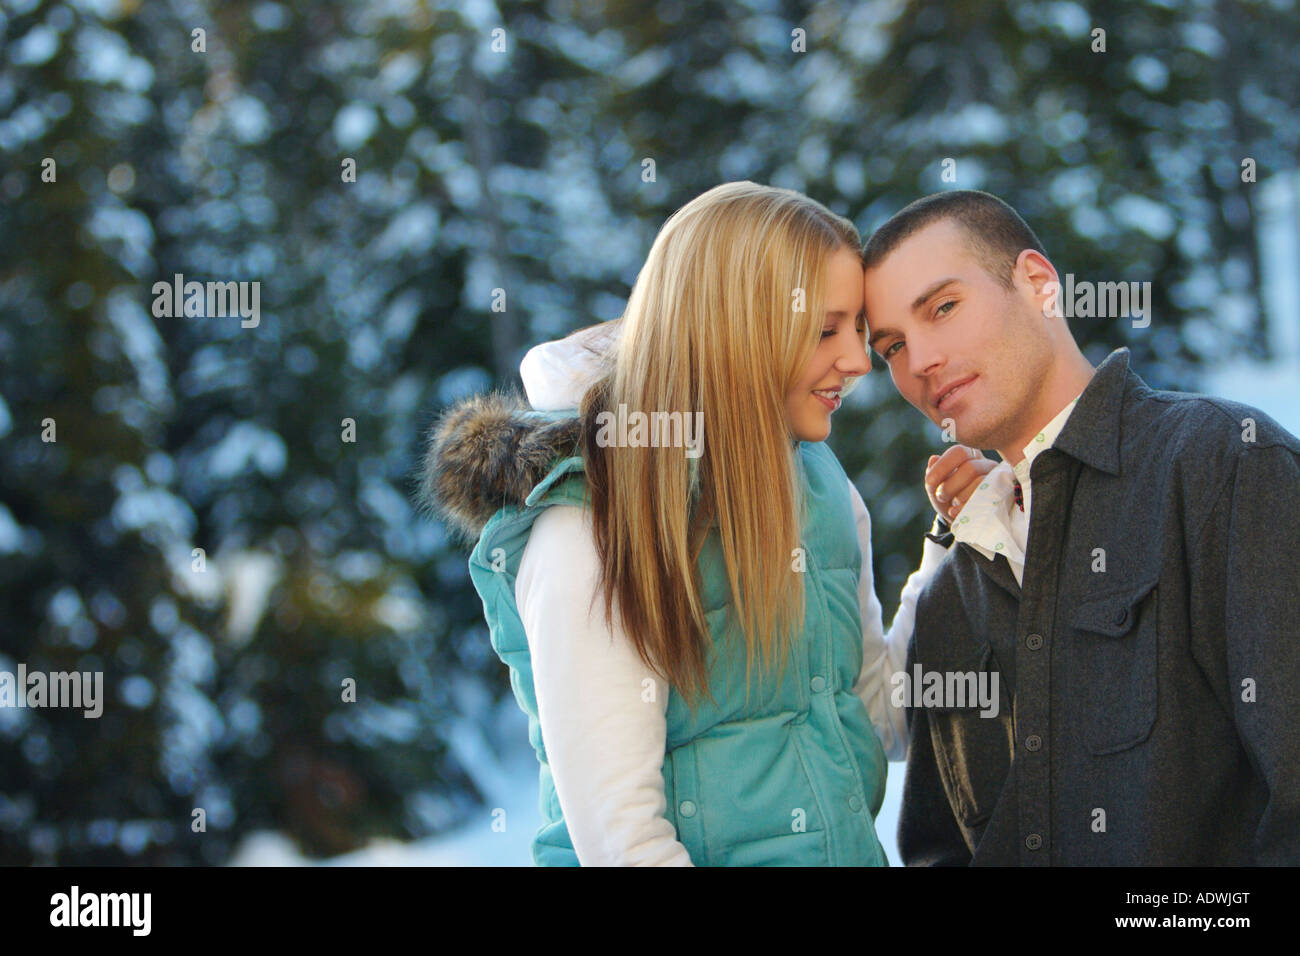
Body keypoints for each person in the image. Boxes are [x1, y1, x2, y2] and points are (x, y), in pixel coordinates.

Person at [421, 181, 991, 865]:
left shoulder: (822, 485)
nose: (858, 361)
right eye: (824, 330)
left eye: (860, 330)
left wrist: (954, 544)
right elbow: (623, 840)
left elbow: (880, 717)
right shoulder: (590, 525)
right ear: (736, 328)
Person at [860, 188, 1300, 865]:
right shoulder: (952, 590)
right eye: (891, 346)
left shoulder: (1224, 465)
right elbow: (937, 852)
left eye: (943, 308)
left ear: (1037, 283)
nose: (919, 363)